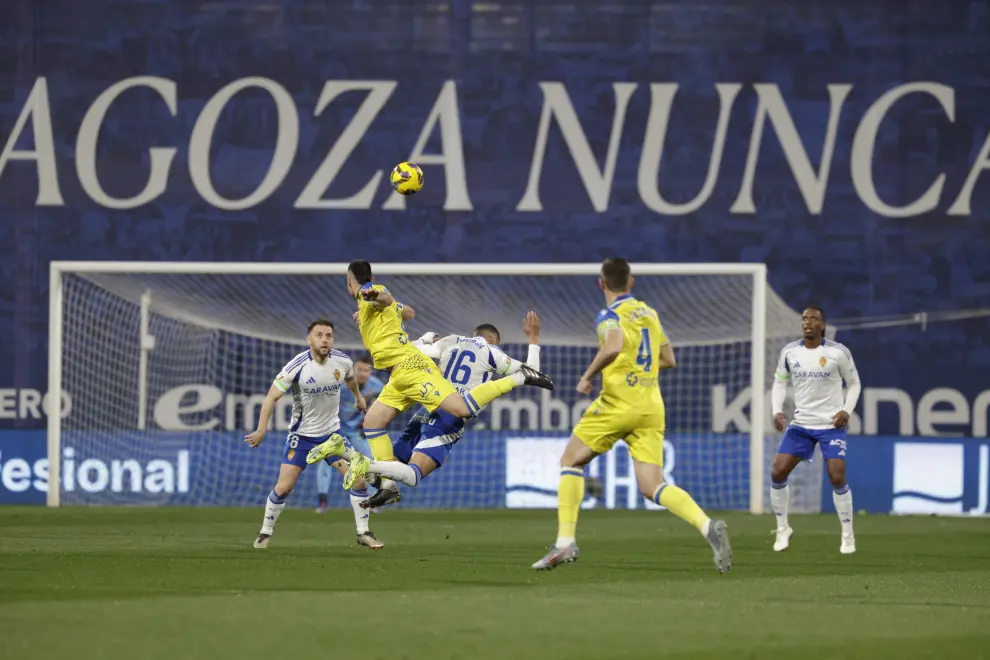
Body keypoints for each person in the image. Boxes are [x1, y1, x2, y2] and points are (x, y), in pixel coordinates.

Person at [530, 258, 732, 573]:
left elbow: (613, 345)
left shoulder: (608, 315)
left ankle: (566, 541)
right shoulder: (649, 313)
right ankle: (707, 526)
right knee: (653, 486)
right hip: (651, 407)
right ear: (631, 282)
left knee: (570, 461)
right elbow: (668, 358)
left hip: (617, 403)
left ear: (601, 283)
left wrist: (588, 375)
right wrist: (641, 368)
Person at [305, 261, 554, 502]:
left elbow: (386, 299)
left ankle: (371, 470)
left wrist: (372, 296)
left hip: (412, 374)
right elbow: (408, 312)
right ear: (493, 339)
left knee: (411, 430)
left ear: (351, 282)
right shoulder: (491, 351)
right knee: (375, 423)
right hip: (409, 376)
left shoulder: (448, 337)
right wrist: (533, 340)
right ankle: (387, 485)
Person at [244, 320, 383, 550]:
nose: (325, 339)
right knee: (284, 487)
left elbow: (350, 379)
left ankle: (363, 532)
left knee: (358, 479)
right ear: (309, 340)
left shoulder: (343, 361)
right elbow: (270, 398)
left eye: (329, 335)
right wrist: (261, 429)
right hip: (302, 437)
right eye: (319, 335)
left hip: (332, 436)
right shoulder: (296, 366)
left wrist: (358, 397)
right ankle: (265, 533)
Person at [770, 305, 862, 554]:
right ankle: (782, 529)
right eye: (804, 319)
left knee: (837, 476)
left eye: (813, 319)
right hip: (801, 424)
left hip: (831, 424)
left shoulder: (838, 353)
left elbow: (854, 383)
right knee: (777, 472)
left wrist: (846, 411)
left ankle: (847, 535)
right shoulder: (790, 352)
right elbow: (779, 382)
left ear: (822, 325)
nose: (808, 322)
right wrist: (777, 411)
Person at [315, 354, 384, 514]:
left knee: (371, 459)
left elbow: (384, 406)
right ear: (353, 370)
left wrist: (370, 424)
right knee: (326, 461)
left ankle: (373, 501)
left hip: (355, 431)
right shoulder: (341, 384)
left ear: (370, 373)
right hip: (336, 430)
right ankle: (322, 503)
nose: (362, 373)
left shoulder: (377, 387)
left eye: (366, 370)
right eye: (359, 369)